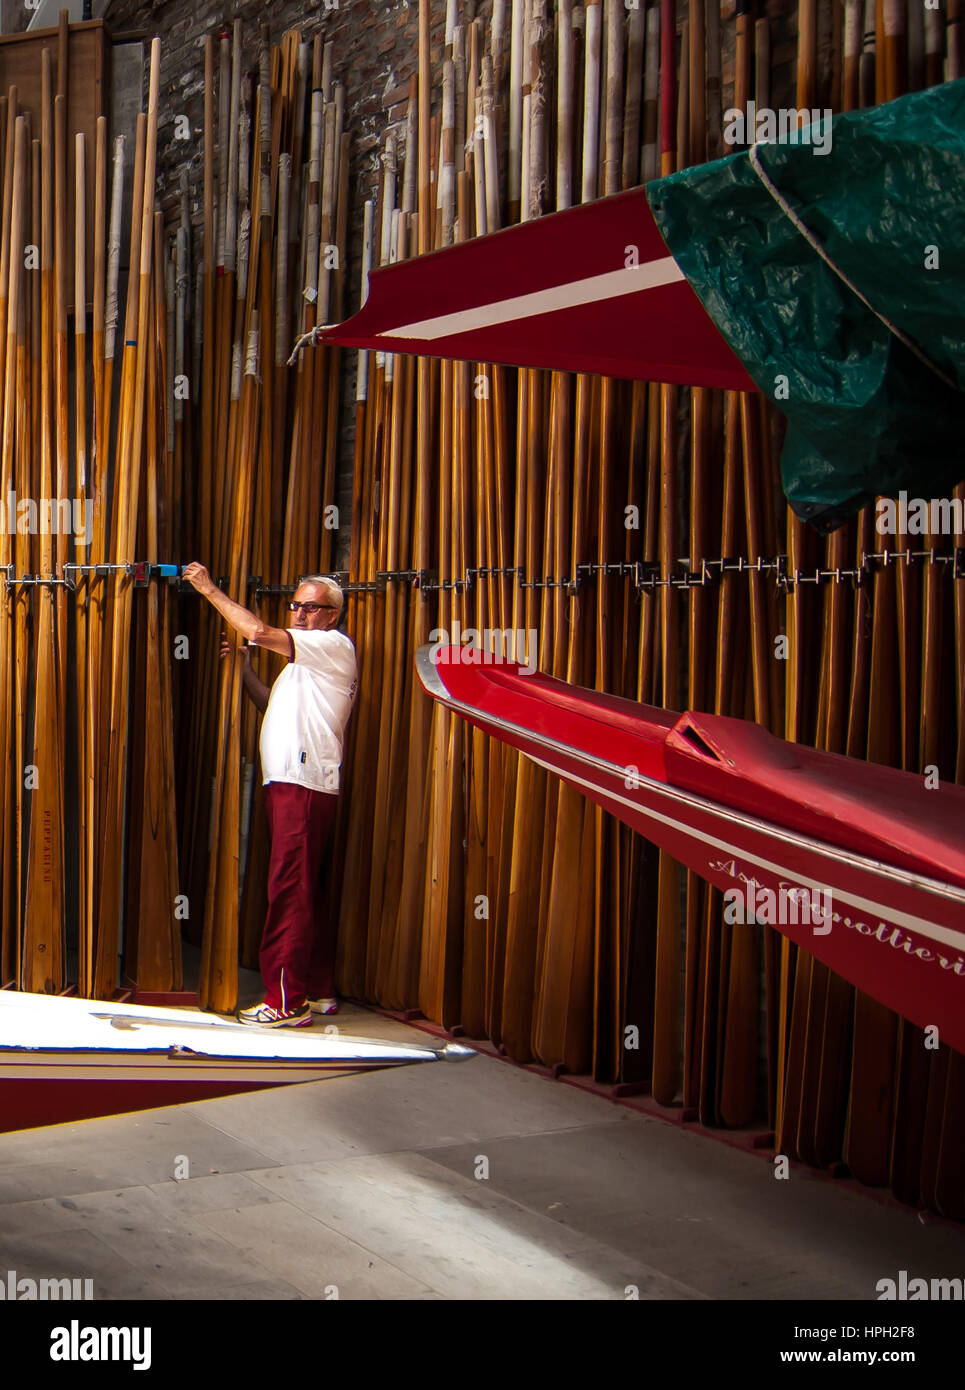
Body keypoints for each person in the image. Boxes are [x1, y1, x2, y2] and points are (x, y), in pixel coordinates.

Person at [183, 563, 358, 1027]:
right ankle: (316, 989)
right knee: (303, 889)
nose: (299, 614)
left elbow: (258, 630)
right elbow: (270, 706)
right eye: (296, 605)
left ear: (332, 617)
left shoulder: (332, 647)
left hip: (301, 785)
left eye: (311, 608)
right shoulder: (304, 664)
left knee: (289, 889)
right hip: (295, 783)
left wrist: (207, 588)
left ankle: (286, 1001)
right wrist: (244, 673)